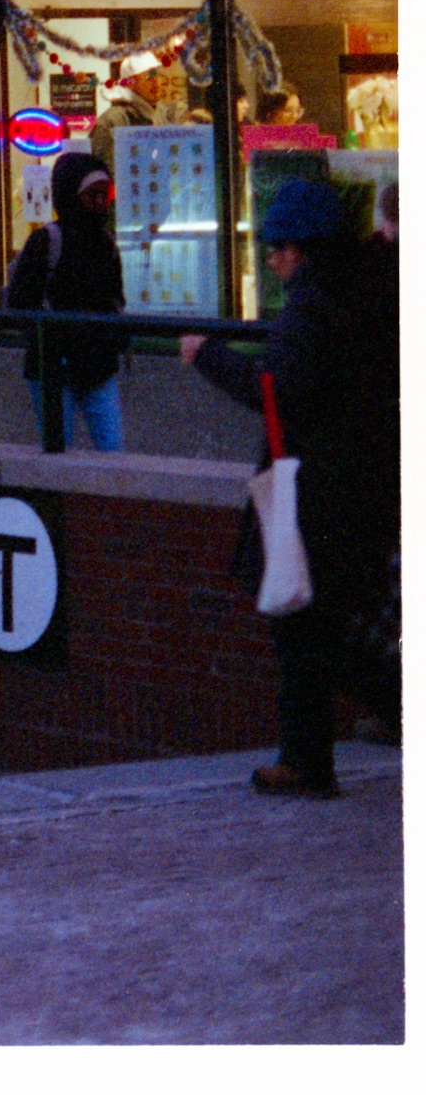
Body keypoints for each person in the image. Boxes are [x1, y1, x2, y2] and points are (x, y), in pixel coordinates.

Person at [182, 180, 402, 797]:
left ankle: (307, 761)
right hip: (368, 482)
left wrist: (208, 355)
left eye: (279, 248)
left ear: (303, 249)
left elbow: (277, 390)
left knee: (303, 626)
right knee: (343, 621)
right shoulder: (374, 290)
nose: (273, 260)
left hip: (316, 488)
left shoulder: (310, 307)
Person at [3, 150, 127, 452]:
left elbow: (115, 298)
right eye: (92, 195)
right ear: (71, 196)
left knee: (112, 451)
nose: (100, 203)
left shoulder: (106, 244)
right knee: (63, 451)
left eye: (105, 195)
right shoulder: (46, 241)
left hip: (97, 366)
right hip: (55, 368)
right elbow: (20, 301)